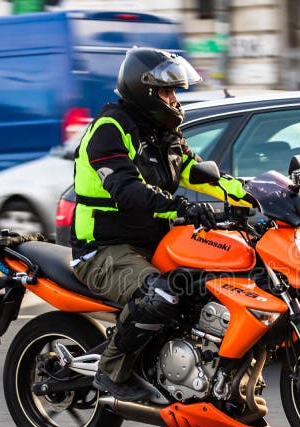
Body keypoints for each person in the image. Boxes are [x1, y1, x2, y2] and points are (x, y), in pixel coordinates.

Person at [70, 47, 253, 401]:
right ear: (146, 91)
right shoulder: (110, 129)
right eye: (167, 92)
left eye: (174, 93)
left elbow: (197, 172)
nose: (173, 100)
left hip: (154, 244)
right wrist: (179, 207)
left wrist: (252, 195)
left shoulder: (162, 133)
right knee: (161, 293)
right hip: (103, 249)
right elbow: (127, 190)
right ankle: (112, 372)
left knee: (208, 284)